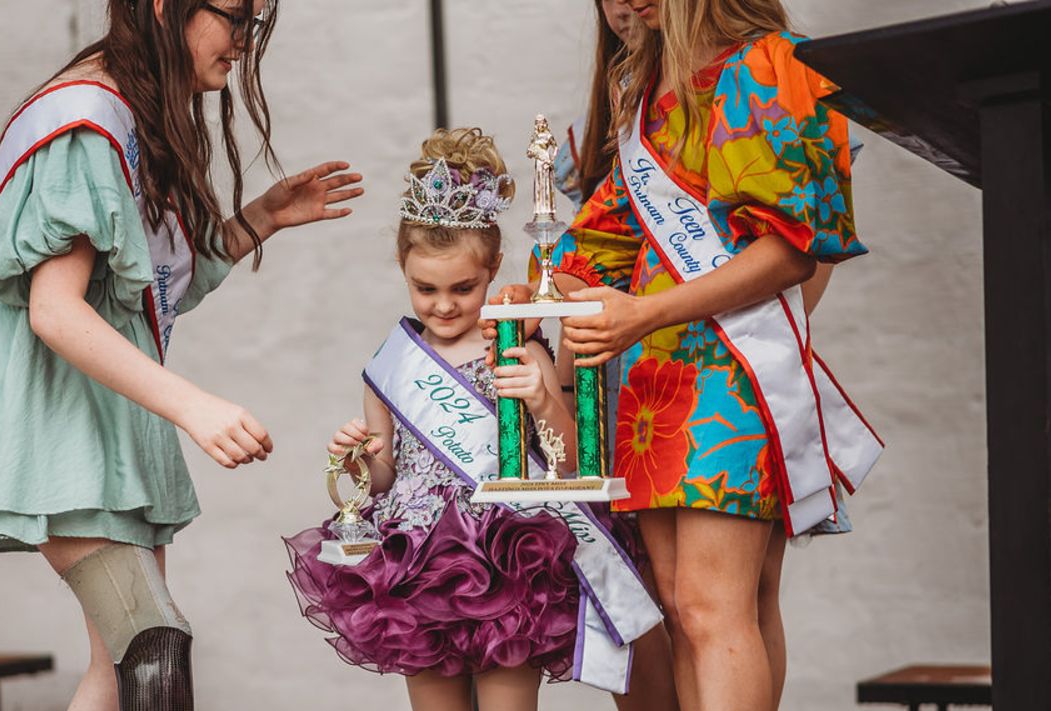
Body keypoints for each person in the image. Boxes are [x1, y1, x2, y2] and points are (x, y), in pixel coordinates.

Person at [0, 1, 363, 708]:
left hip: (102, 423)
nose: (244, 45)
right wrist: (193, 404)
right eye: (237, 19)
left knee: (121, 666)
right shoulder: (87, 119)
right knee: (150, 647)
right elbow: (55, 309)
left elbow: (143, 285)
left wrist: (263, 217)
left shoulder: (132, 110)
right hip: (60, 420)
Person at [489, 1, 883, 709]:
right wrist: (543, 293)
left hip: (730, 373)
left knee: (711, 606)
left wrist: (643, 311)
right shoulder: (653, 97)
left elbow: (794, 249)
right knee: (678, 606)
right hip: (650, 380)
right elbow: (600, 247)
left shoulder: (771, 63)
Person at [285, 128, 659, 711]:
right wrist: (358, 458)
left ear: (493, 271)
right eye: (425, 288)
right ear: (402, 271)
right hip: (417, 560)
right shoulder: (388, 367)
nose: (444, 304)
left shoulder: (516, 349)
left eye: (464, 287)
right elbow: (382, 476)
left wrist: (540, 398)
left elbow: (570, 461)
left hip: (509, 555)